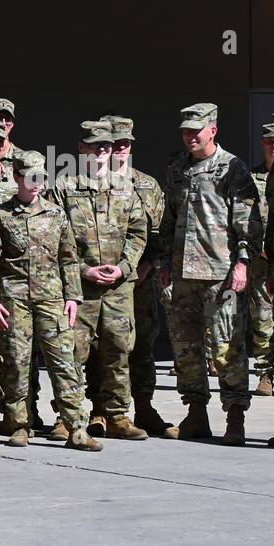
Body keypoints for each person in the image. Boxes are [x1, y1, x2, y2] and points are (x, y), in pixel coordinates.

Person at [159, 103, 261, 443]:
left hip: (220, 273)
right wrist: (164, 265)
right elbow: (169, 220)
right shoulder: (177, 170)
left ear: (213, 130)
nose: (190, 136)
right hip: (182, 274)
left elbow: (249, 223)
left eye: (196, 131)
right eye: (186, 131)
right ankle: (196, 415)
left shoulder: (233, 168)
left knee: (228, 347)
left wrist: (243, 264)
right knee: (186, 348)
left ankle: (234, 418)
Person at [0, 157, 101, 452]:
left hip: (52, 299)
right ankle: (19, 425)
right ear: (16, 176)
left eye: (40, 177)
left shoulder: (55, 214)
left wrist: (73, 296)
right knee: (15, 363)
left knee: (65, 363)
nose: (36, 184)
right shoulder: (1, 215)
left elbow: (68, 258)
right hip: (15, 299)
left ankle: (76, 426)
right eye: (29, 177)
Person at [48, 120, 149, 442]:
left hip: (118, 288)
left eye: (106, 146)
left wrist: (123, 267)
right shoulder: (62, 187)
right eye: (94, 145)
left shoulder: (126, 188)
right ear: (81, 148)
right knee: (74, 353)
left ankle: (117, 415)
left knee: (118, 351)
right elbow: (54, 239)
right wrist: (81, 270)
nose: (101, 151)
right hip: (81, 289)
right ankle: (69, 417)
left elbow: (138, 233)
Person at [103, 114, 173, 433]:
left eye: (126, 144)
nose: (121, 149)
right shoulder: (86, 184)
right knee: (101, 346)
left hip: (139, 281)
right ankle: (102, 410)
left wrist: (145, 267)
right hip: (100, 284)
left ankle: (143, 407)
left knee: (142, 344)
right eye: (115, 143)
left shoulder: (147, 185)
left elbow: (160, 234)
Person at [248, 121, 274, 396]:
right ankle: (264, 374)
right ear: (263, 144)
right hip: (261, 259)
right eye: (270, 141)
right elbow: (244, 217)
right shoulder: (252, 177)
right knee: (261, 318)